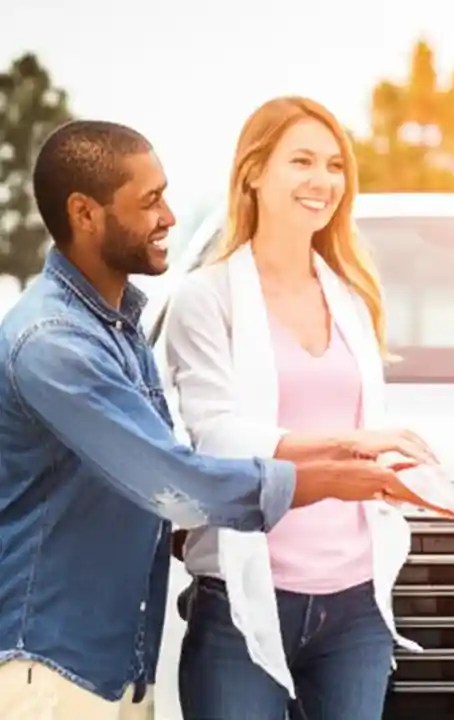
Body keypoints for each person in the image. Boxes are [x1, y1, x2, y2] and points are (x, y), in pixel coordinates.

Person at [0, 120, 424, 720]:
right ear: (85, 213)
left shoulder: (115, 326)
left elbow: (134, 474)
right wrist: (331, 476)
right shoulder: (54, 343)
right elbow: (170, 478)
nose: (170, 216)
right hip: (50, 665)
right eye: (149, 201)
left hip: (111, 660)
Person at [164, 96, 442, 720]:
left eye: (335, 165)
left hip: (353, 608)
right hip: (242, 601)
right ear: (253, 172)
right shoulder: (206, 299)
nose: (323, 181)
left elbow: (363, 426)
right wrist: (349, 448)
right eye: (302, 161)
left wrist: (399, 467)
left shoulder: (353, 295)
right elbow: (216, 437)